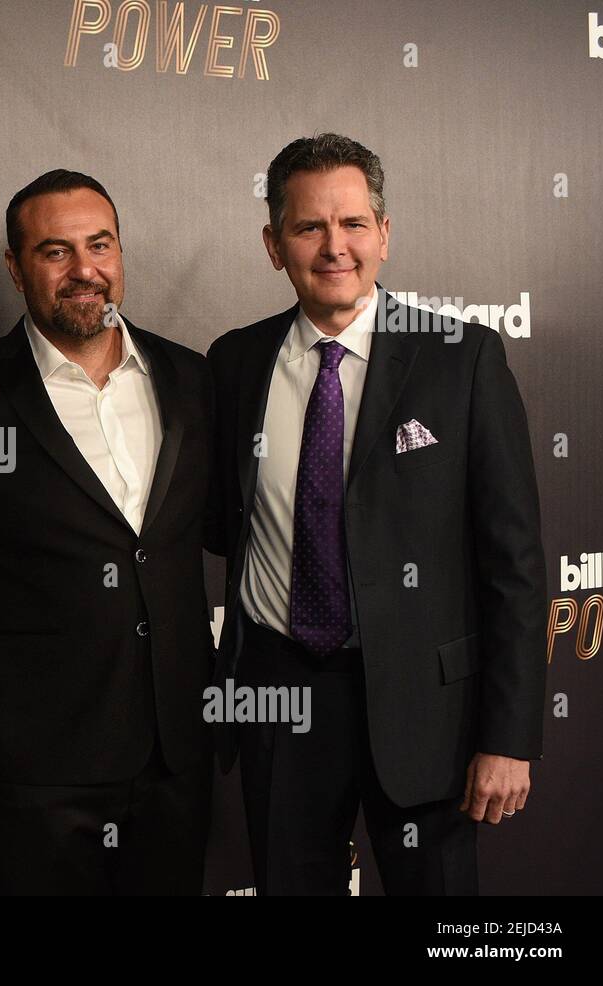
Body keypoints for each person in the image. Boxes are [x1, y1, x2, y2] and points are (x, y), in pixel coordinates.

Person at [205, 133, 546, 894]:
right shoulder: (233, 364)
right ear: (273, 244)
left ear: (384, 236)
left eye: (354, 224)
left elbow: (516, 567)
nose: (335, 247)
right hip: (282, 701)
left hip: (429, 713)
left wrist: (509, 736)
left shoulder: (464, 358)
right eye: (309, 227)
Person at [0, 170, 215, 895]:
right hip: (34, 770)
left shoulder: (193, 379)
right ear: (14, 268)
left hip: (174, 754)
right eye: (55, 252)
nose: (84, 270)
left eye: (100, 245)